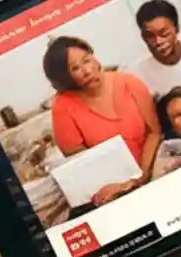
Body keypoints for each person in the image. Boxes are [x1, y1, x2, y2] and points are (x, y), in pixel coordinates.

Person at [44, 36, 163, 207]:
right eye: (75, 68)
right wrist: (120, 187)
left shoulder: (129, 82)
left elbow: (154, 133)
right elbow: (83, 164)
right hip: (109, 190)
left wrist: (139, 179)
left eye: (87, 60)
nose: (87, 70)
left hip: (152, 170)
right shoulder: (63, 107)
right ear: (65, 78)